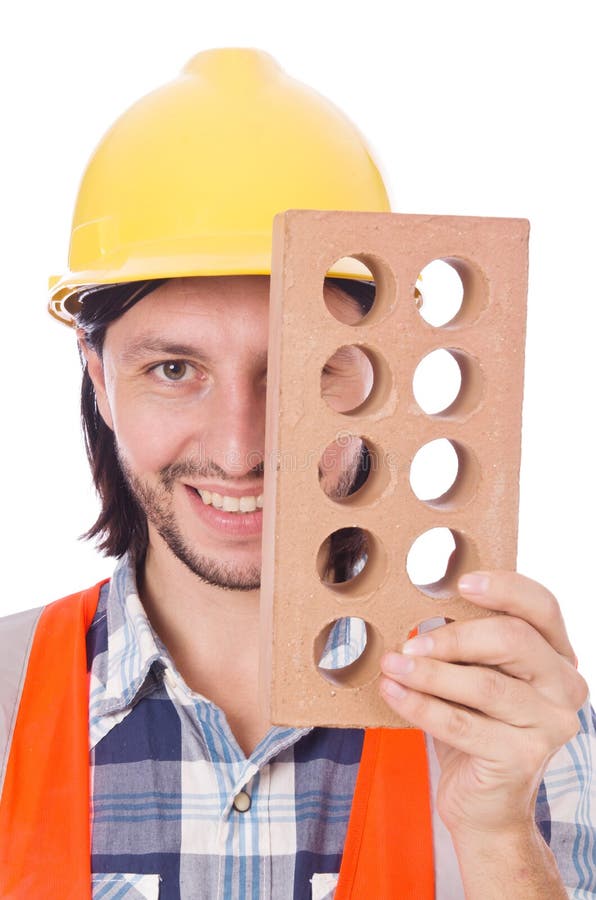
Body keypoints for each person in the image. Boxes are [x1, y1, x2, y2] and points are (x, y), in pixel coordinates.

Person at [0, 47, 594, 899]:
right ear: (99, 379)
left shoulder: (512, 723)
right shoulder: (2, 695)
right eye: (174, 369)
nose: (241, 449)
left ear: (384, 372)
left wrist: (497, 836)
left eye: (307, 372)